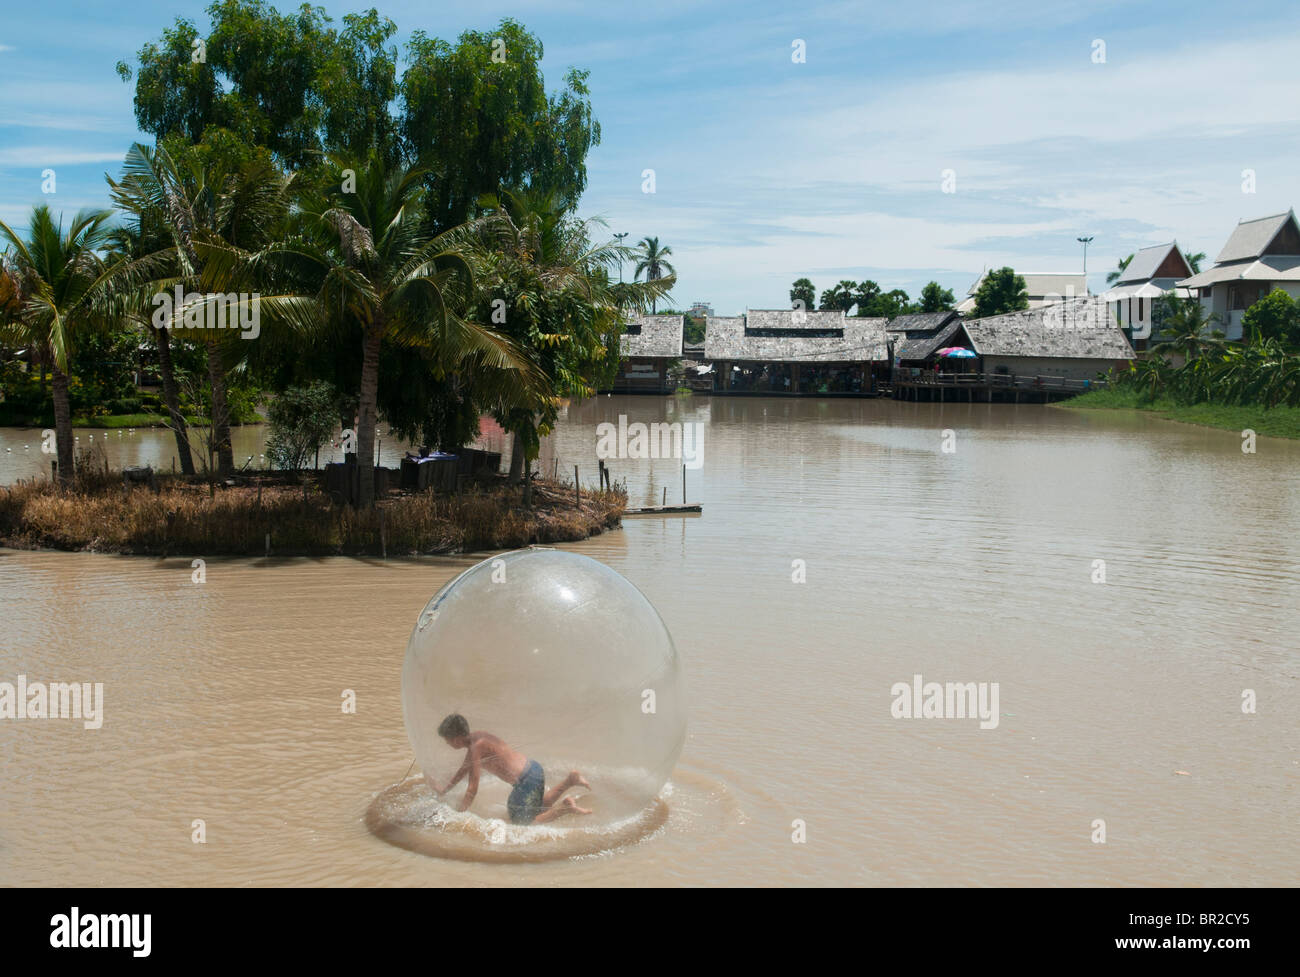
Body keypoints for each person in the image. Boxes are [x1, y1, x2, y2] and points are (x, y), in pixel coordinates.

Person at [424, 714, 591, 824]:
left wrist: (458, 816)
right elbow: (463, 770)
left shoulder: (476, 747)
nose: (446, 743)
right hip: (534, 770)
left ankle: (564, 809)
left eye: (447, 740)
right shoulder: (478, 738)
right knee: (536, 807)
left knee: (523, 823)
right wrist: (445, 789)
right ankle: (570, 780)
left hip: (525, 782)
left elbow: (472, 788)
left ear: (457, 738)